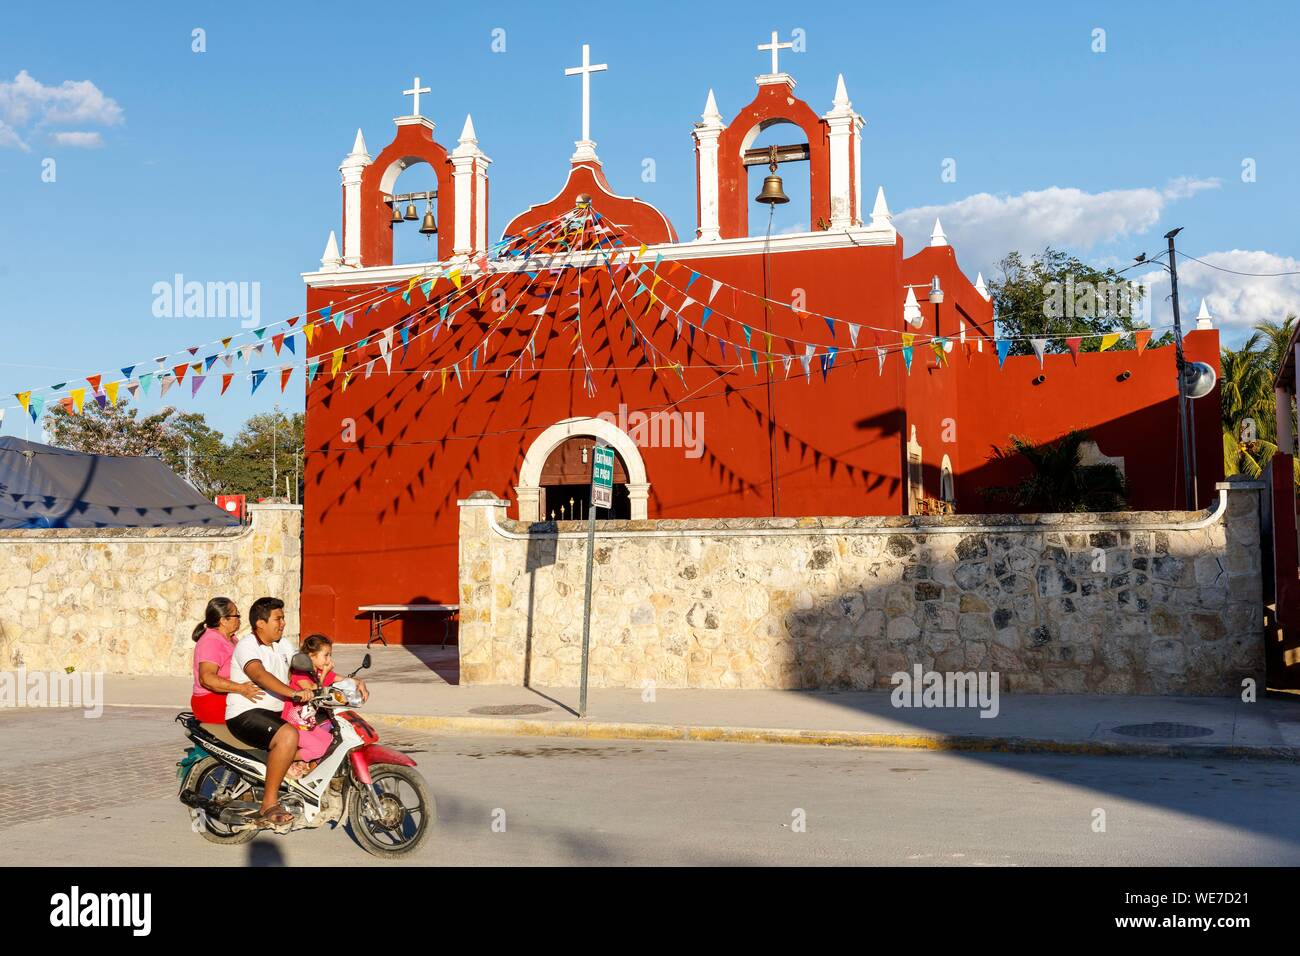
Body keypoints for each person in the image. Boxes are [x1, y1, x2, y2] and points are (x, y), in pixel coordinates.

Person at [225, 597, 313, 828]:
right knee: (288, 736)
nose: (283, 623)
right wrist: (292, 693)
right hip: (246, 714)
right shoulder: (247, 646)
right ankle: (269, 804)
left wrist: (345, 682)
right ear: (260, 623)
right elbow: (259, 675)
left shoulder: (282, 645)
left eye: (283, 618)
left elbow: (302, 665)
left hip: (273, 715)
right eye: (278, 618)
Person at [190, 597, 261, 723]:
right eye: (236, 615)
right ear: (223, 620)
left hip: (229, 696)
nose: (239, 619)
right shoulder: (212, 641)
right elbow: (207, 678)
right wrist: (241, 688)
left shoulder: (231, 638)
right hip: (212, 701)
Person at [282, 634, 338, 778]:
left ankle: (300, 761)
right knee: (318, 749)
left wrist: (357, 682)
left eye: (330, 655)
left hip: (308, 724)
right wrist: (325, 673)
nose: (329, 660)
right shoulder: (300, 673)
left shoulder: (317, 672)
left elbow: (340, 679)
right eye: (326, 656)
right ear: (311, 656)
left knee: (331, 741)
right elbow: (313, 689)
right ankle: (284, 759)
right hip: (293, 725)